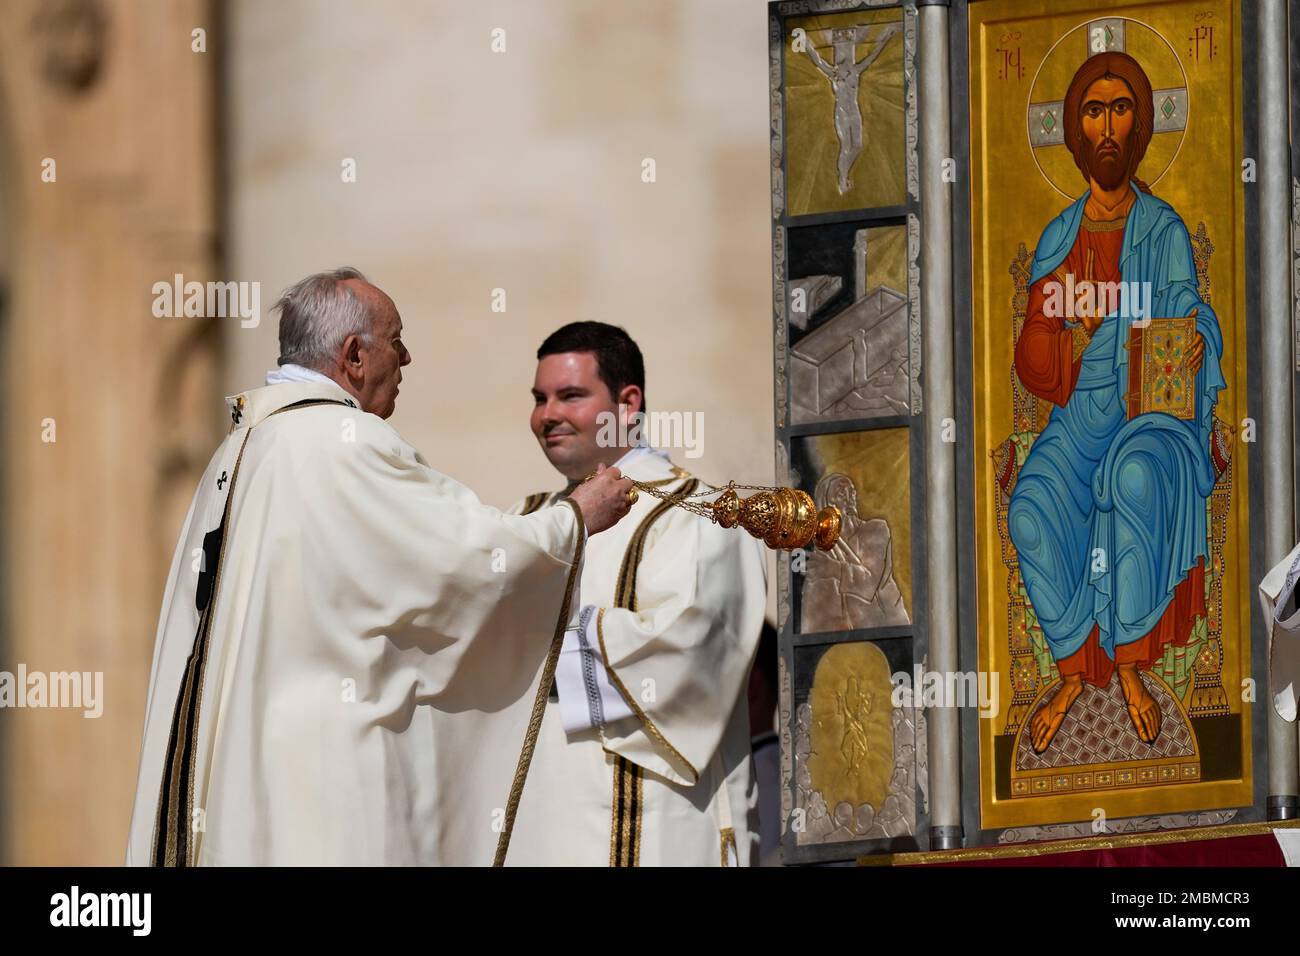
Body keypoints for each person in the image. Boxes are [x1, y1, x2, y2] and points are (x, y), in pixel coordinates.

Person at [125, 268, 633, 865]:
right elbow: (465, 558)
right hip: (324, 767)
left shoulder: (242, 448)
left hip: (247, 758)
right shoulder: (342, 442)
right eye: (397, 340)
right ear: (355, 355)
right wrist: (574, 518)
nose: (408, 357)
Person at [1008, 53, 1225, 752]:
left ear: (1139, 130)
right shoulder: (1058, 238)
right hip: (1083, 411)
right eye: (1093, 113)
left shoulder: (1162, 232)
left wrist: (1195, 343)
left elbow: (1188, 312)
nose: (1106, 127)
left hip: (1152, 416)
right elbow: (1033, 354)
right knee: (1032, 505)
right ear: (1075, 133)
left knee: (1131, 478)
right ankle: (1075, 666)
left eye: (1120, 110)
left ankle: (1129, 663)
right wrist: (1072, 347)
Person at [502, 321, 768, 866]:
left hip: (659, 829)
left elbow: (689, 654)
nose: (546, 414)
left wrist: (522, 642)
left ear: (627, 403)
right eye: (539, 398)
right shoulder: (524, 523)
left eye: (570, 395)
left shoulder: (705, 516)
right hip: (541, 832)